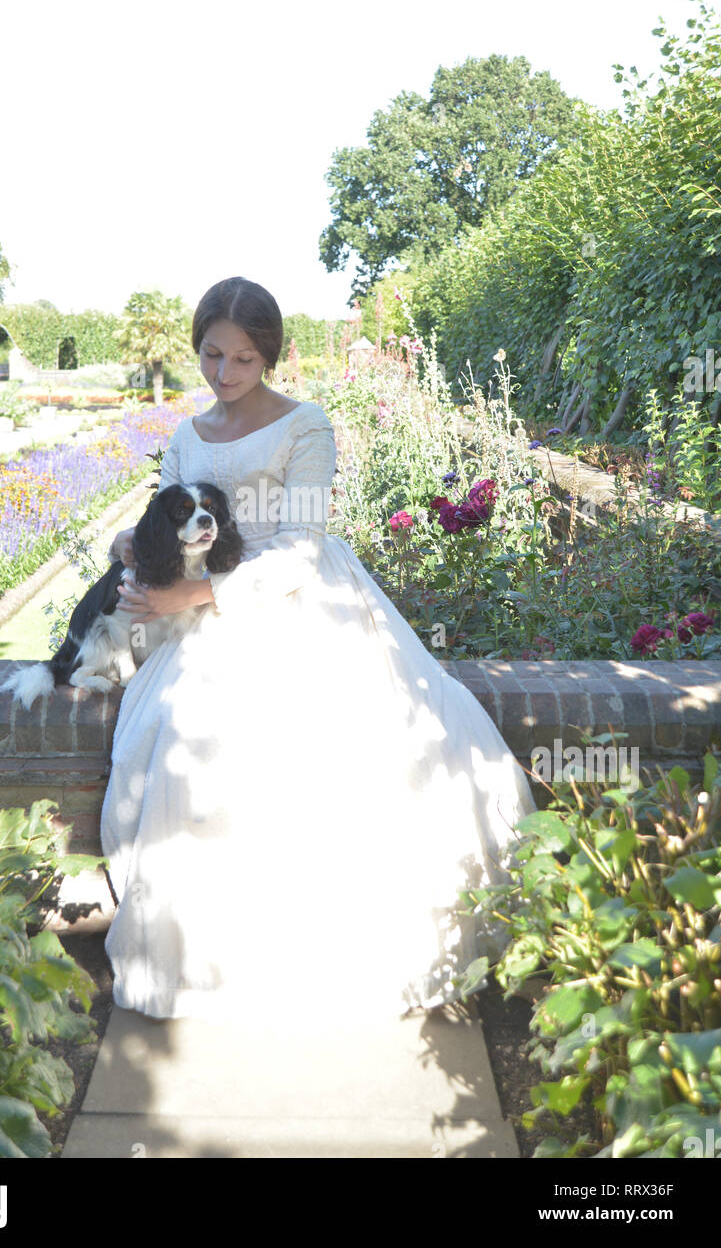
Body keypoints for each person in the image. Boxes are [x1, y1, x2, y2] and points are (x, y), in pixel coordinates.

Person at [100, 276, 536, 1030]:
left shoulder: (306, 424)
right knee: (172, 740)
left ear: (267, 355)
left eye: (241, 359)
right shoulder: (185, 434)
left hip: (301, 602)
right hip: (198, 608)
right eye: (211, 355)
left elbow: (301, 549)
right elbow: (159, 525)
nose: (224, 374)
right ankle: (202, 954)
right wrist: (136, 557)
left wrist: (191, 596)